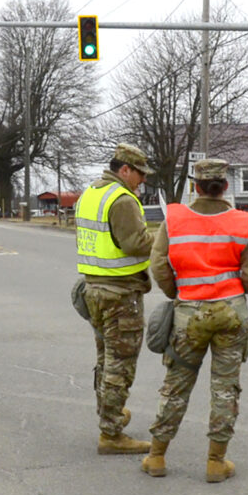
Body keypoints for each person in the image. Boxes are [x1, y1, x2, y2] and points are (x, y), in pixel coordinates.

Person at [141, 158, 248, 482]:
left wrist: (177, 291)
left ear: (195, 187)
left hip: (188, 314)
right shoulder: (242, 223)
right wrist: (235, 289)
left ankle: (156, 457)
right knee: (225, 387)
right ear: (225, 186)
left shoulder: (175, 219)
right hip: (230, 313)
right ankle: (216, 461)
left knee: (176, 385)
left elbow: (159, 265)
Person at [75, 143, 156, 454]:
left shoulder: (91, 193)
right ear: (125, 169)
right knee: (120, 364)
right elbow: (134, 242)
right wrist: (164, 237)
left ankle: (109, 413)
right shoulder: (121, 199)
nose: (142, 180)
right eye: (139, 174)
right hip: (120, 294)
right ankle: (111, 433)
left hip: (93, 290)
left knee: (105, 359)